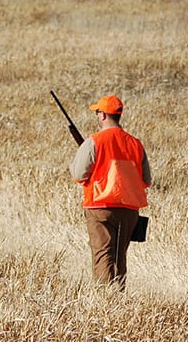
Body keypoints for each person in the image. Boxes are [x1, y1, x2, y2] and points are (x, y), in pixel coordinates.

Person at [70, 95, 151, 289]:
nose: (97, 115)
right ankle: (118, 294)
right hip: (129, 209)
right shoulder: (135, 143)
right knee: (118, 256)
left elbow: (79, 174)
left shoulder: (94, 141)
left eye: (97, 112)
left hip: (100, 206)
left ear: (103, 115)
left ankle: (106, 299)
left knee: (103, 254)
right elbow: (146, 180)